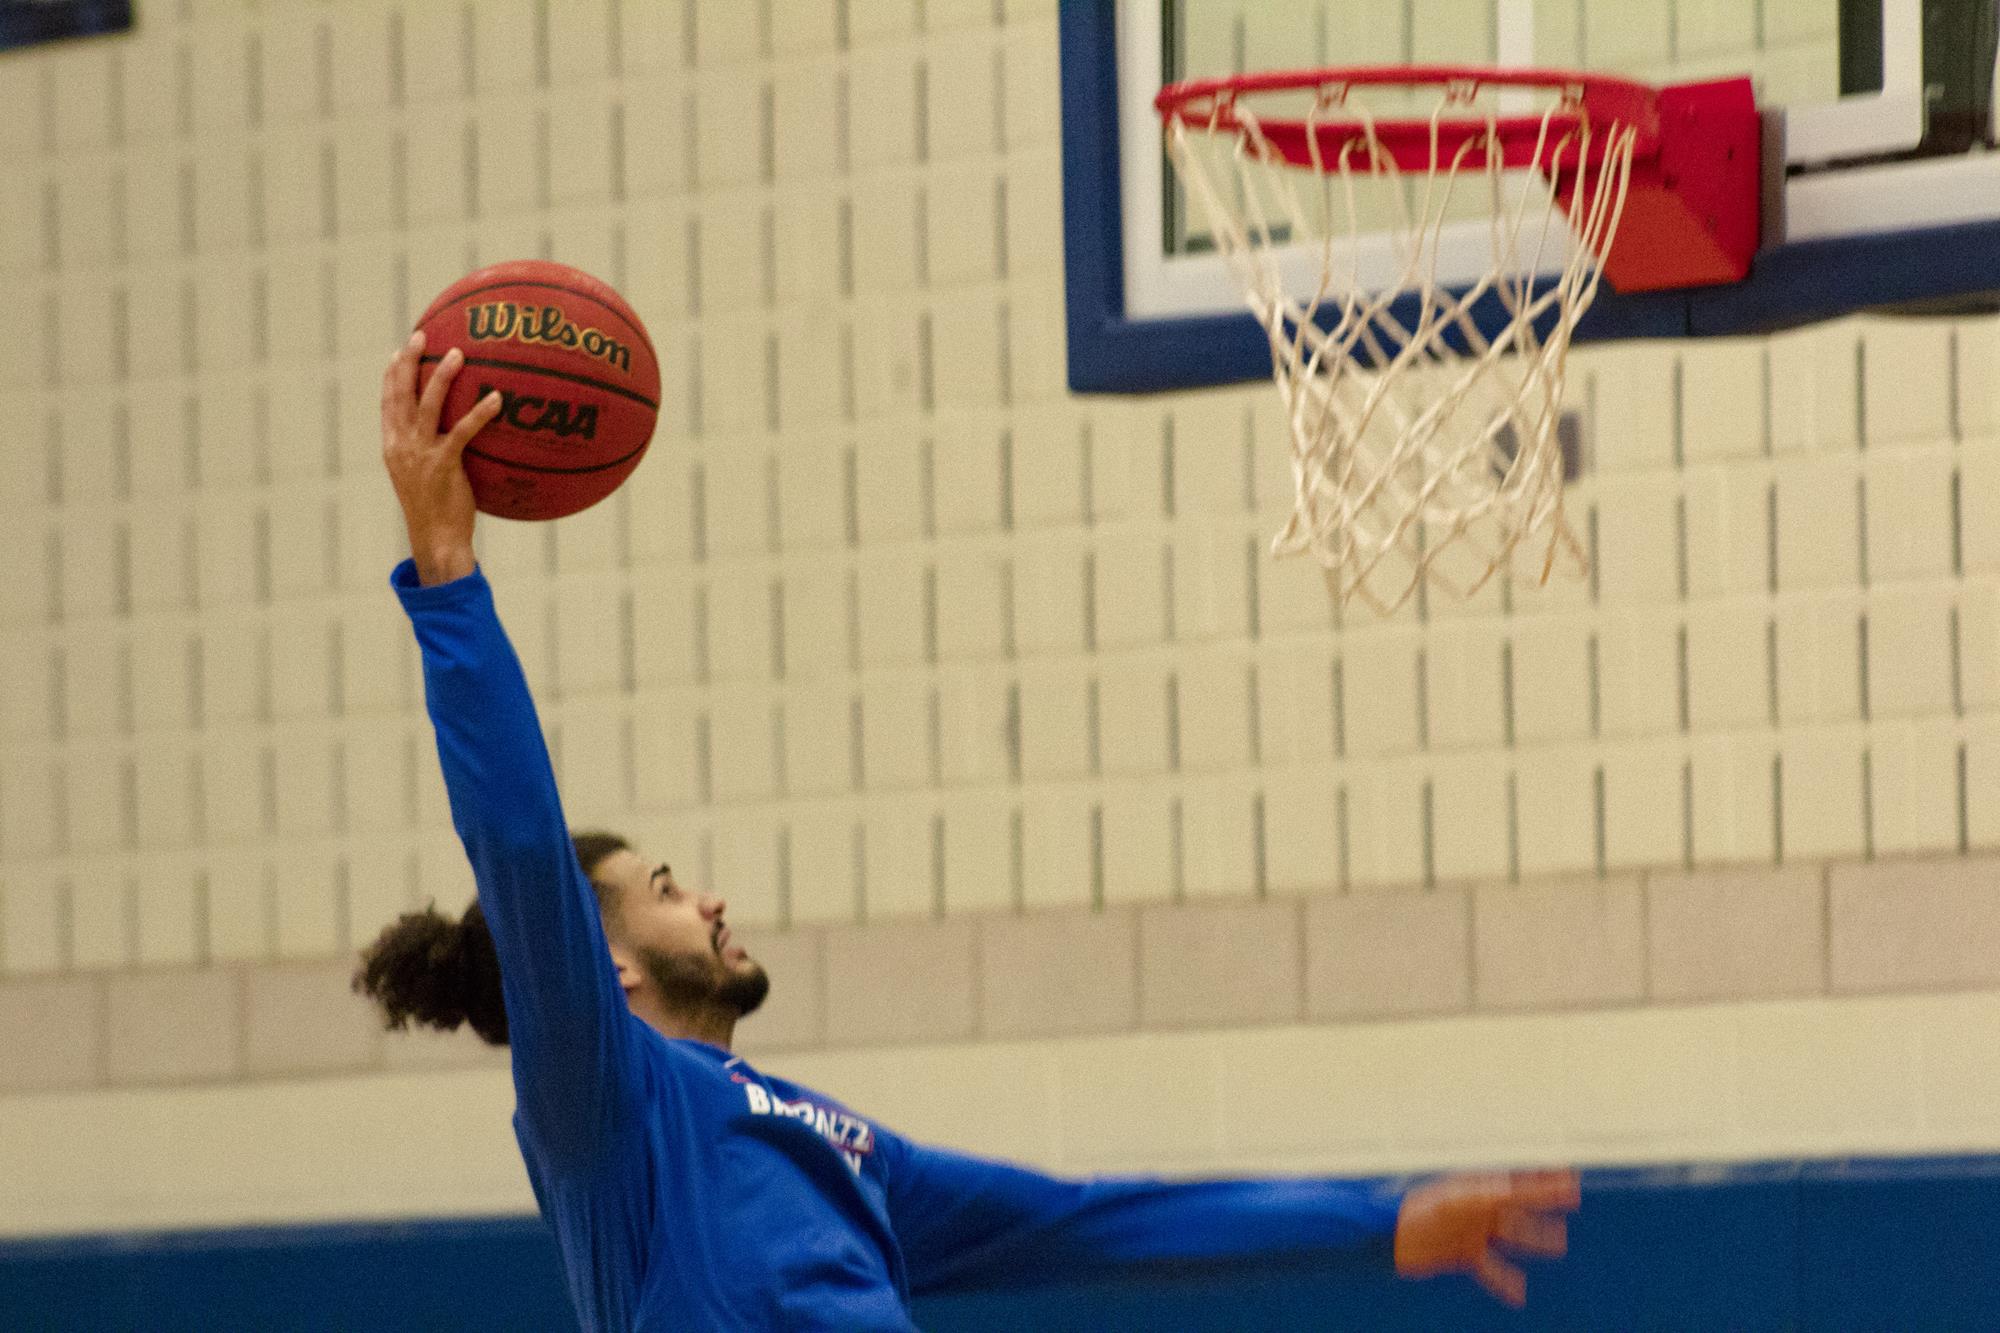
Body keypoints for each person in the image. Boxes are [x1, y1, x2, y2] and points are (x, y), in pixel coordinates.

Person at [355, 331, 1580, 1331]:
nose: (711, 898)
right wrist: (449, 571)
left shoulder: (833, 1145)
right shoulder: (608, 1112)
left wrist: (1372, 1223)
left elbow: (1090, 1223)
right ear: (601, 962)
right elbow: (520, 845)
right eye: (667, 887)